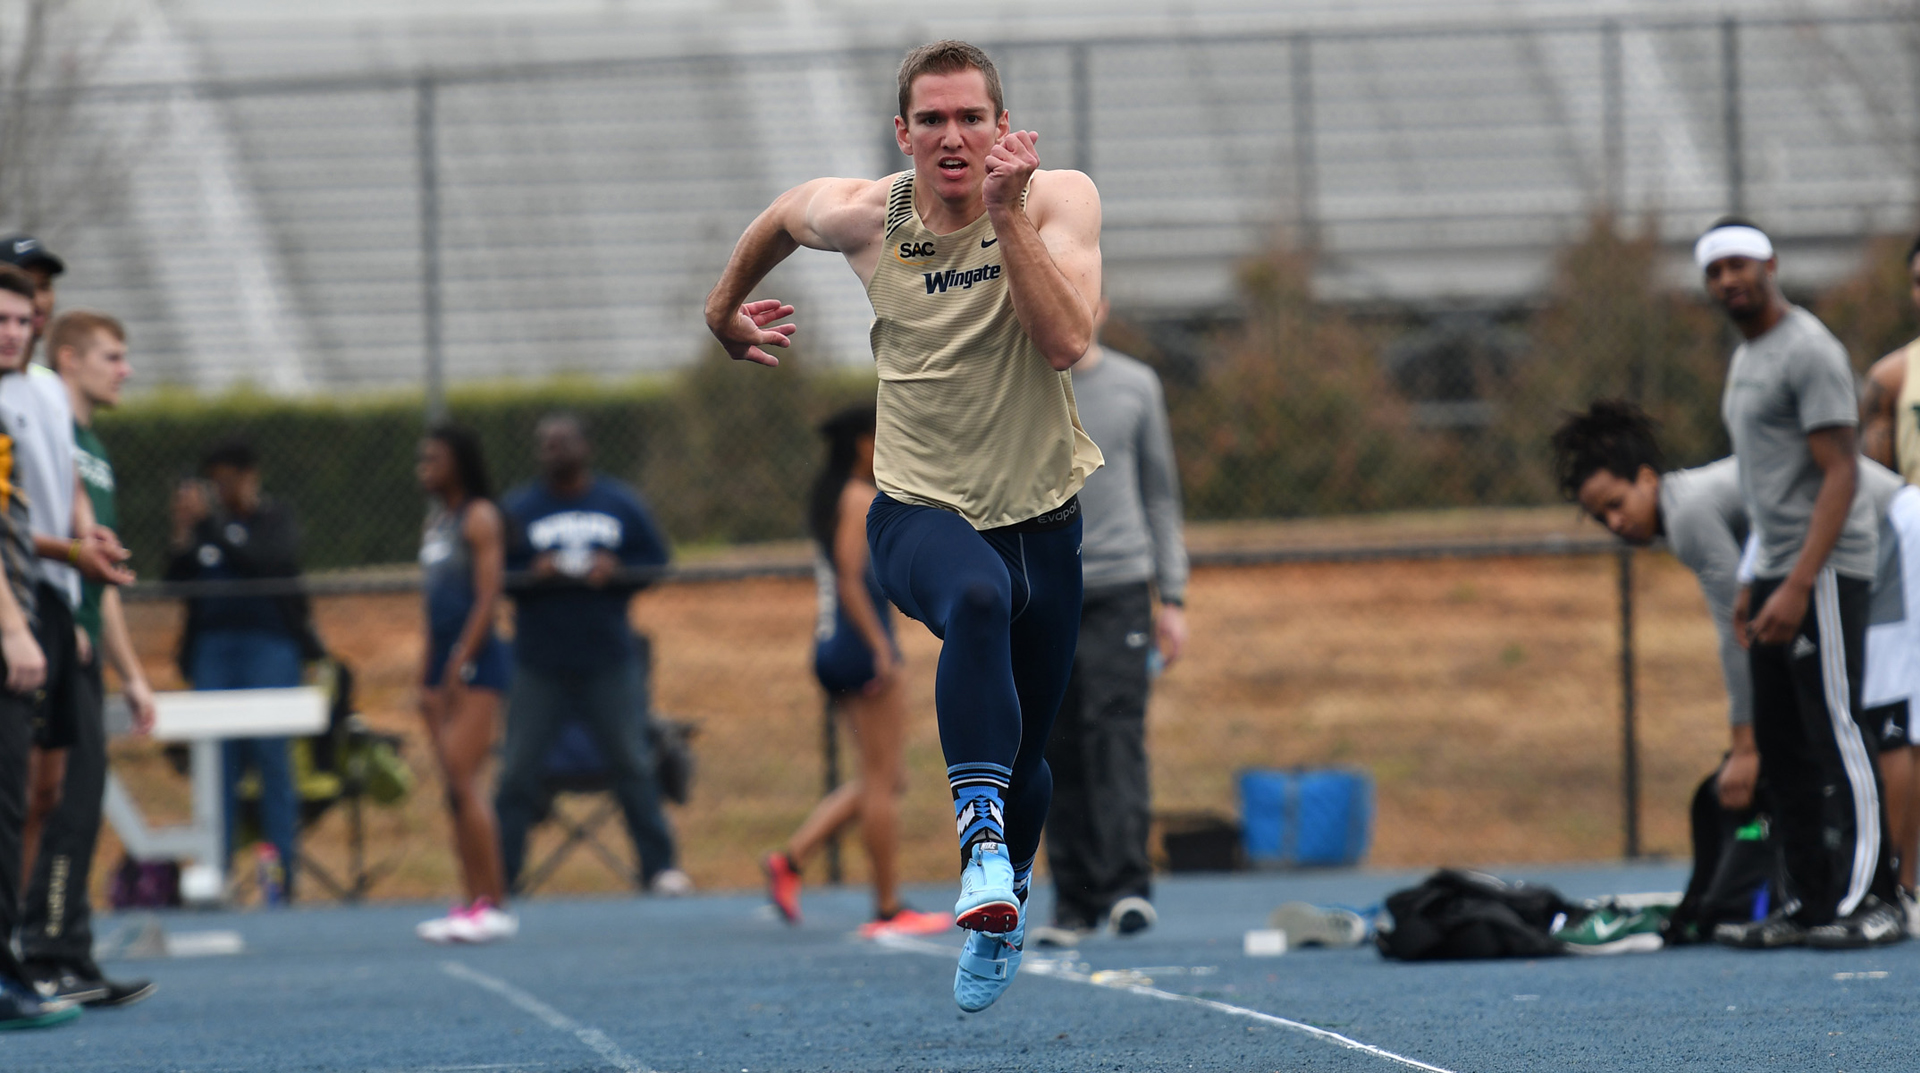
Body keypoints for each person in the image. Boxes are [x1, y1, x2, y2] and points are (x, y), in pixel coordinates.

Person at [705, 39, 1103, 1012]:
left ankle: (998, 885)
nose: (953, 136)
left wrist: (1006, 216)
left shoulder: (1057, 200)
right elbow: (779, 216)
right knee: (974, 597)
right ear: (904, 133)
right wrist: (723, 315)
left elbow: (1066, 343)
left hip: (1041, 519)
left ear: (1003, 130)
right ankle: (976, 843)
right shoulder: (868, 215)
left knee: (1030, 761)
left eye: (972, 118)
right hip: (920, 511)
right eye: (933, 120)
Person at [1552, 401, 1914, 941]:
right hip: (1853, 545)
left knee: (1881, 722)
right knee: (1837, 719)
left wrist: (1745, 747)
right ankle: (1825, 897)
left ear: (1647, 480)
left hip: (1888, 532)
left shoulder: (1690, 514)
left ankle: (1901, 894)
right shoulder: (1689, 510)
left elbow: (1737, 633)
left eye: (1616, 504)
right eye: (1602, 517)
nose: (1615, 522)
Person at [1696, 218, 1903, 947]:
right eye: (1715, 270)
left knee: (1838, 731)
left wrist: (1798, 582)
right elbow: (1763, 487)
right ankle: (1810, 899)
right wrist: (1757, 576)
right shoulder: (1748, 356)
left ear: (1771, 264)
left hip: (1825, 567)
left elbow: (1841, 472)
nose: (1729, 280)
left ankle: (1873, 898)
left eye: (1740, 265)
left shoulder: (1809, 349)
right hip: (1779, 569)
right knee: (1783, 743)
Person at [1033, 298, 1188, 946]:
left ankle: (1128, 888)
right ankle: (1074, 901)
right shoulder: (1023, 383)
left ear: (1095, 306)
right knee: (1054, 743)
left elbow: (1161, 491)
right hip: (1044, 590)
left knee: (1114, 735)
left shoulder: (1136, 385)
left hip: (1121, 587)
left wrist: (1172, 596)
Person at [761, 406, 949, 937]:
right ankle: (888, 907)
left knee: (883, 779)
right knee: (884, 785)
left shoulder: (838, 496)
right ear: (863, 444)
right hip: (856, 645)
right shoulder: (856, 497)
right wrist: (881, 650)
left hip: (835, 644)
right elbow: (849, 579)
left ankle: (791, 859)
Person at [20, 311, 156, 1006]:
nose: (124, 369)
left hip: (79, 643)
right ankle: (38, 948)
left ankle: (66, 949)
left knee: (76, 802)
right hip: (37, 635)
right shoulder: (44, 430)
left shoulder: (92, 449)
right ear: (68, 359)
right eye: (112, 355)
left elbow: (98, 581)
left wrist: (131, 672)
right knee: (46, 801)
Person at [495, 413, 689, 897]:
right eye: (545, 445)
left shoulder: (619, 502)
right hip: (538, 661)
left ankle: (659, 869)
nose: (553, 452)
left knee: (632, 764)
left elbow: (657, 560)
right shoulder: (518, 509)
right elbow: (494, 573)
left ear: (586, 446)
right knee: (518, 771)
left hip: (609, 658)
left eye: (562, 443)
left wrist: (617, 570)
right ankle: (500, 878)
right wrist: (530, 574)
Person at [0, 238, 133, 905]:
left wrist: (86, 538)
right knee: (17, 790)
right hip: (18, 603)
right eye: (19, 295)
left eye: (37, 299)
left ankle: (26, 946)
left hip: (48, 602)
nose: (32, 308)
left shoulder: (46, 392)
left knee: (45, 793)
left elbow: (62, 487)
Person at [165, 439, 321, 902]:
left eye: (228, 476)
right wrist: (182, 532)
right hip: (214, 651)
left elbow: (263, 563)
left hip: (268, 647)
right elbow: (176, 581)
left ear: (249, 475)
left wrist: (211, 527)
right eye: (214, 479)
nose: (220, 487)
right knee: (217, 763)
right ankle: (218, 876)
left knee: (273, 759)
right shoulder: (206, 530)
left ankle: (279, 881)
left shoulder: (274, 519)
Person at [0, 266, 76, 1028]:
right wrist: (15, 628)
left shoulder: (37, 393)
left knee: (22, 797)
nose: (14, 332)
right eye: (1, 319)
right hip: (9, 627)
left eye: (23, 320)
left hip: (34, 607)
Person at [411, 425, 515, 944]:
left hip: (476, 665)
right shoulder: (437, 522)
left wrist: (458, 662)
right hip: (442, 668)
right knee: (453, 789)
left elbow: (486, 596)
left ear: (459, 462)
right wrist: (426, 675)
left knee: (464, 776)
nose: (423, 466)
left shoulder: (479, 517)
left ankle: (494, 903)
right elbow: (434, 606)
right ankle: (471, 900)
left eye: (433, 458)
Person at [1852, 233, 1920, 904]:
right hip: (1915, 530)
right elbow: (1870, 479)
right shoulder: (1894, 376)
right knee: (1908, 715)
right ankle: (1903, 880)